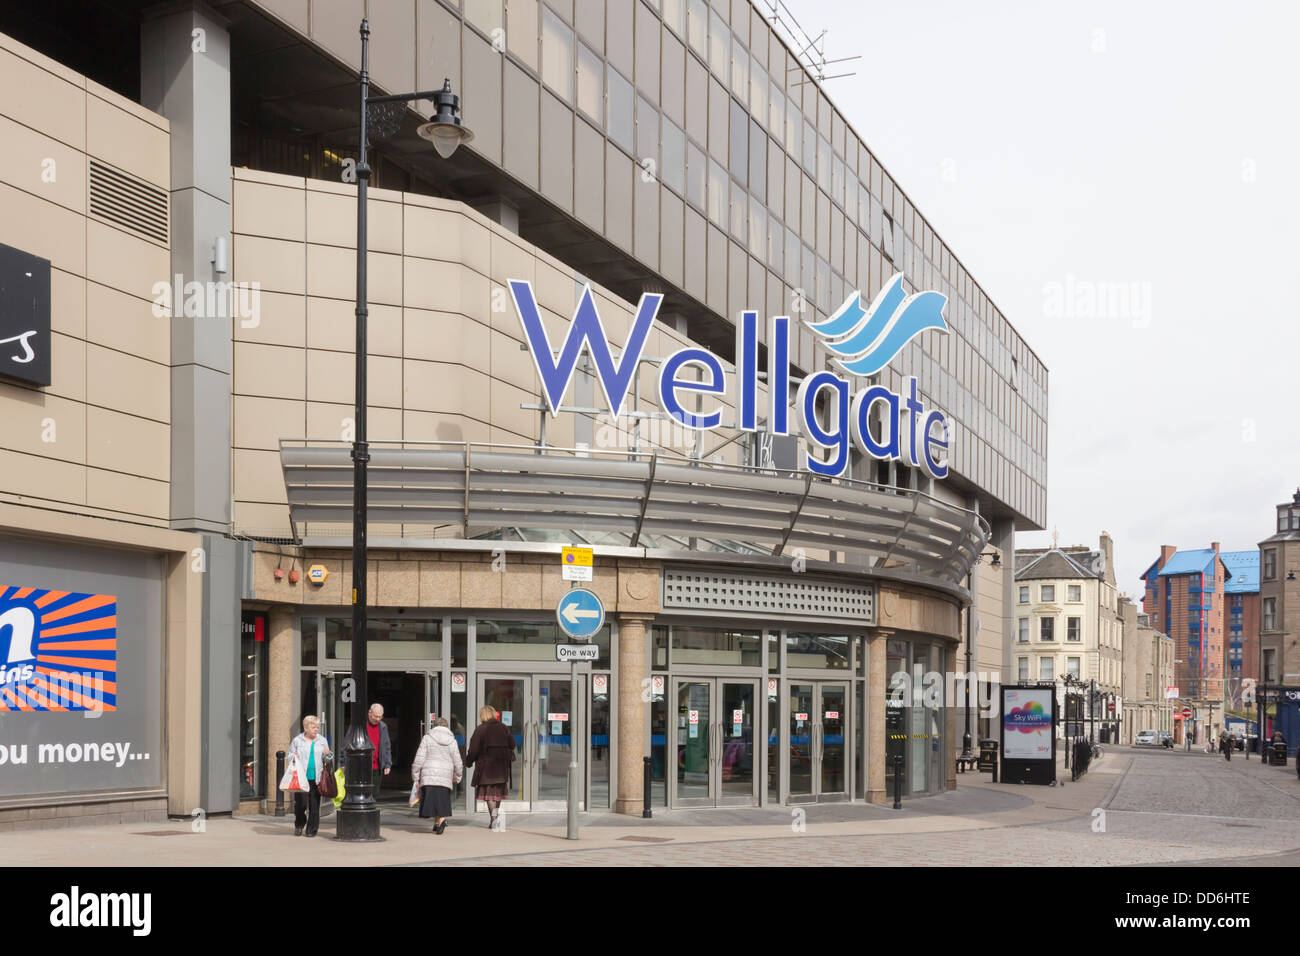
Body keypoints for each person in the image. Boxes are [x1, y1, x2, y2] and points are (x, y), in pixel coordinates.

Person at [465, 705, 515, 831]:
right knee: (497, 793)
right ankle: (495, 818)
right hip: (502, 766)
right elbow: (512, 744)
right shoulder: (503, 727)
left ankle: (494, 820)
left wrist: (468, 761)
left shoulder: (481, 729)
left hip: (486, 766)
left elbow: (474, 749)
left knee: (489, 794)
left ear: (482, 715)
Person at [412, 716, 463, 834]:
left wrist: (415, 776)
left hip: (429, 774)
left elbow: (419, 758)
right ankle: (438, 822)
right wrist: (458, 776)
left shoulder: (427, 738)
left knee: (433, 799)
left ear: (434, 726)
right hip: (445, 775)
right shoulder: (452, 741)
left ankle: (441, 821)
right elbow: (457, 761)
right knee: (441, 799)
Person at [288, 715, 332, 837]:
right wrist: (293, 757)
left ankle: (312, 829)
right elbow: (289, 755)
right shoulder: (297, 740)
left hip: (316, 777)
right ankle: (299, 824)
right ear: (305, 727)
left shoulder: (322, 740)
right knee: (300, 804)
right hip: (301, 777)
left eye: (317, 727)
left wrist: (328, 755)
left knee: (314, 805)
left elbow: (326, 758)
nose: (316, 730)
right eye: (313, 727)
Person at [367, 703, 393, 798]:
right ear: (369, 713)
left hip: (377, 766)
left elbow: (386, 746)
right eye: (375, 716)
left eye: (380, 716)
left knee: (374, 794)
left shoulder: (383, 726)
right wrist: (343, 762)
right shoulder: (361, 725)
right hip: (363, 766)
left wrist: (387, 764)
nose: (377, 719)